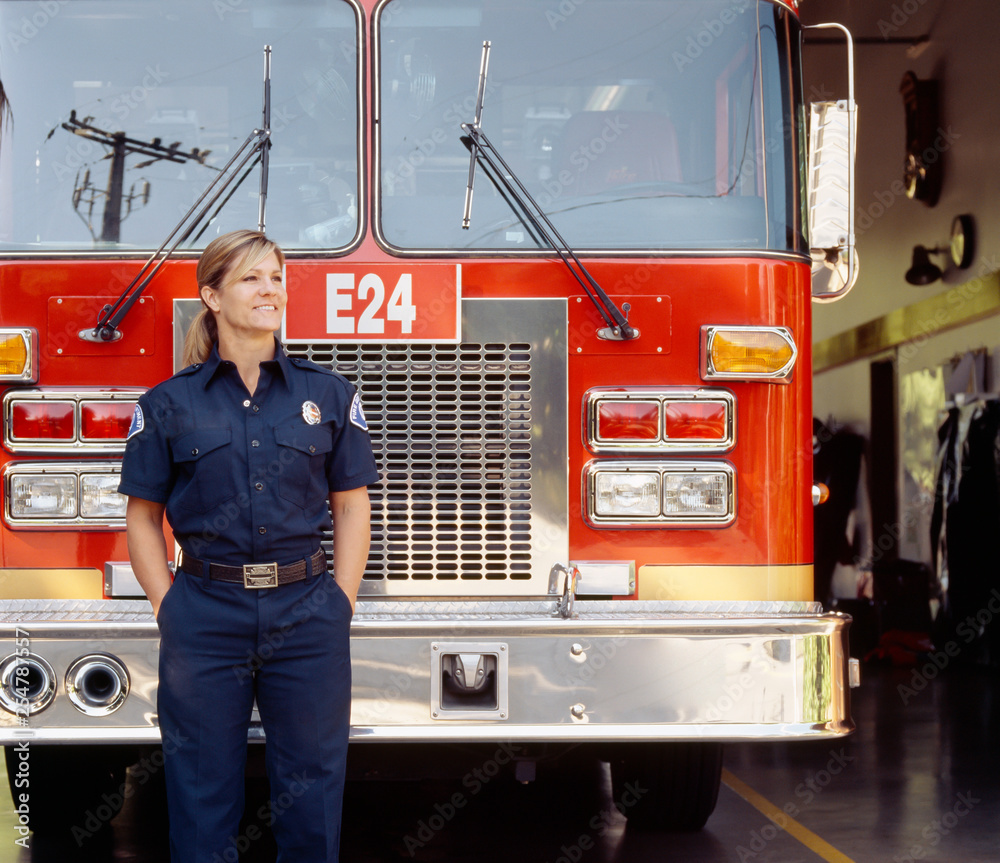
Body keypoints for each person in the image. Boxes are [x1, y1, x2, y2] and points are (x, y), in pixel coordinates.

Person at [118, 229, 379, 862]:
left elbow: (351, 506)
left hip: (307, 612)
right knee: (201, 802)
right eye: (252, 279)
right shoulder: (168, 405)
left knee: (313, 799)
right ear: (211, 295)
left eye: (277, 278)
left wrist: (339, 601)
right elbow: (142, 517)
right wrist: (169, 607)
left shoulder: (328, 396)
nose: (271, 291)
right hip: (205, 614)